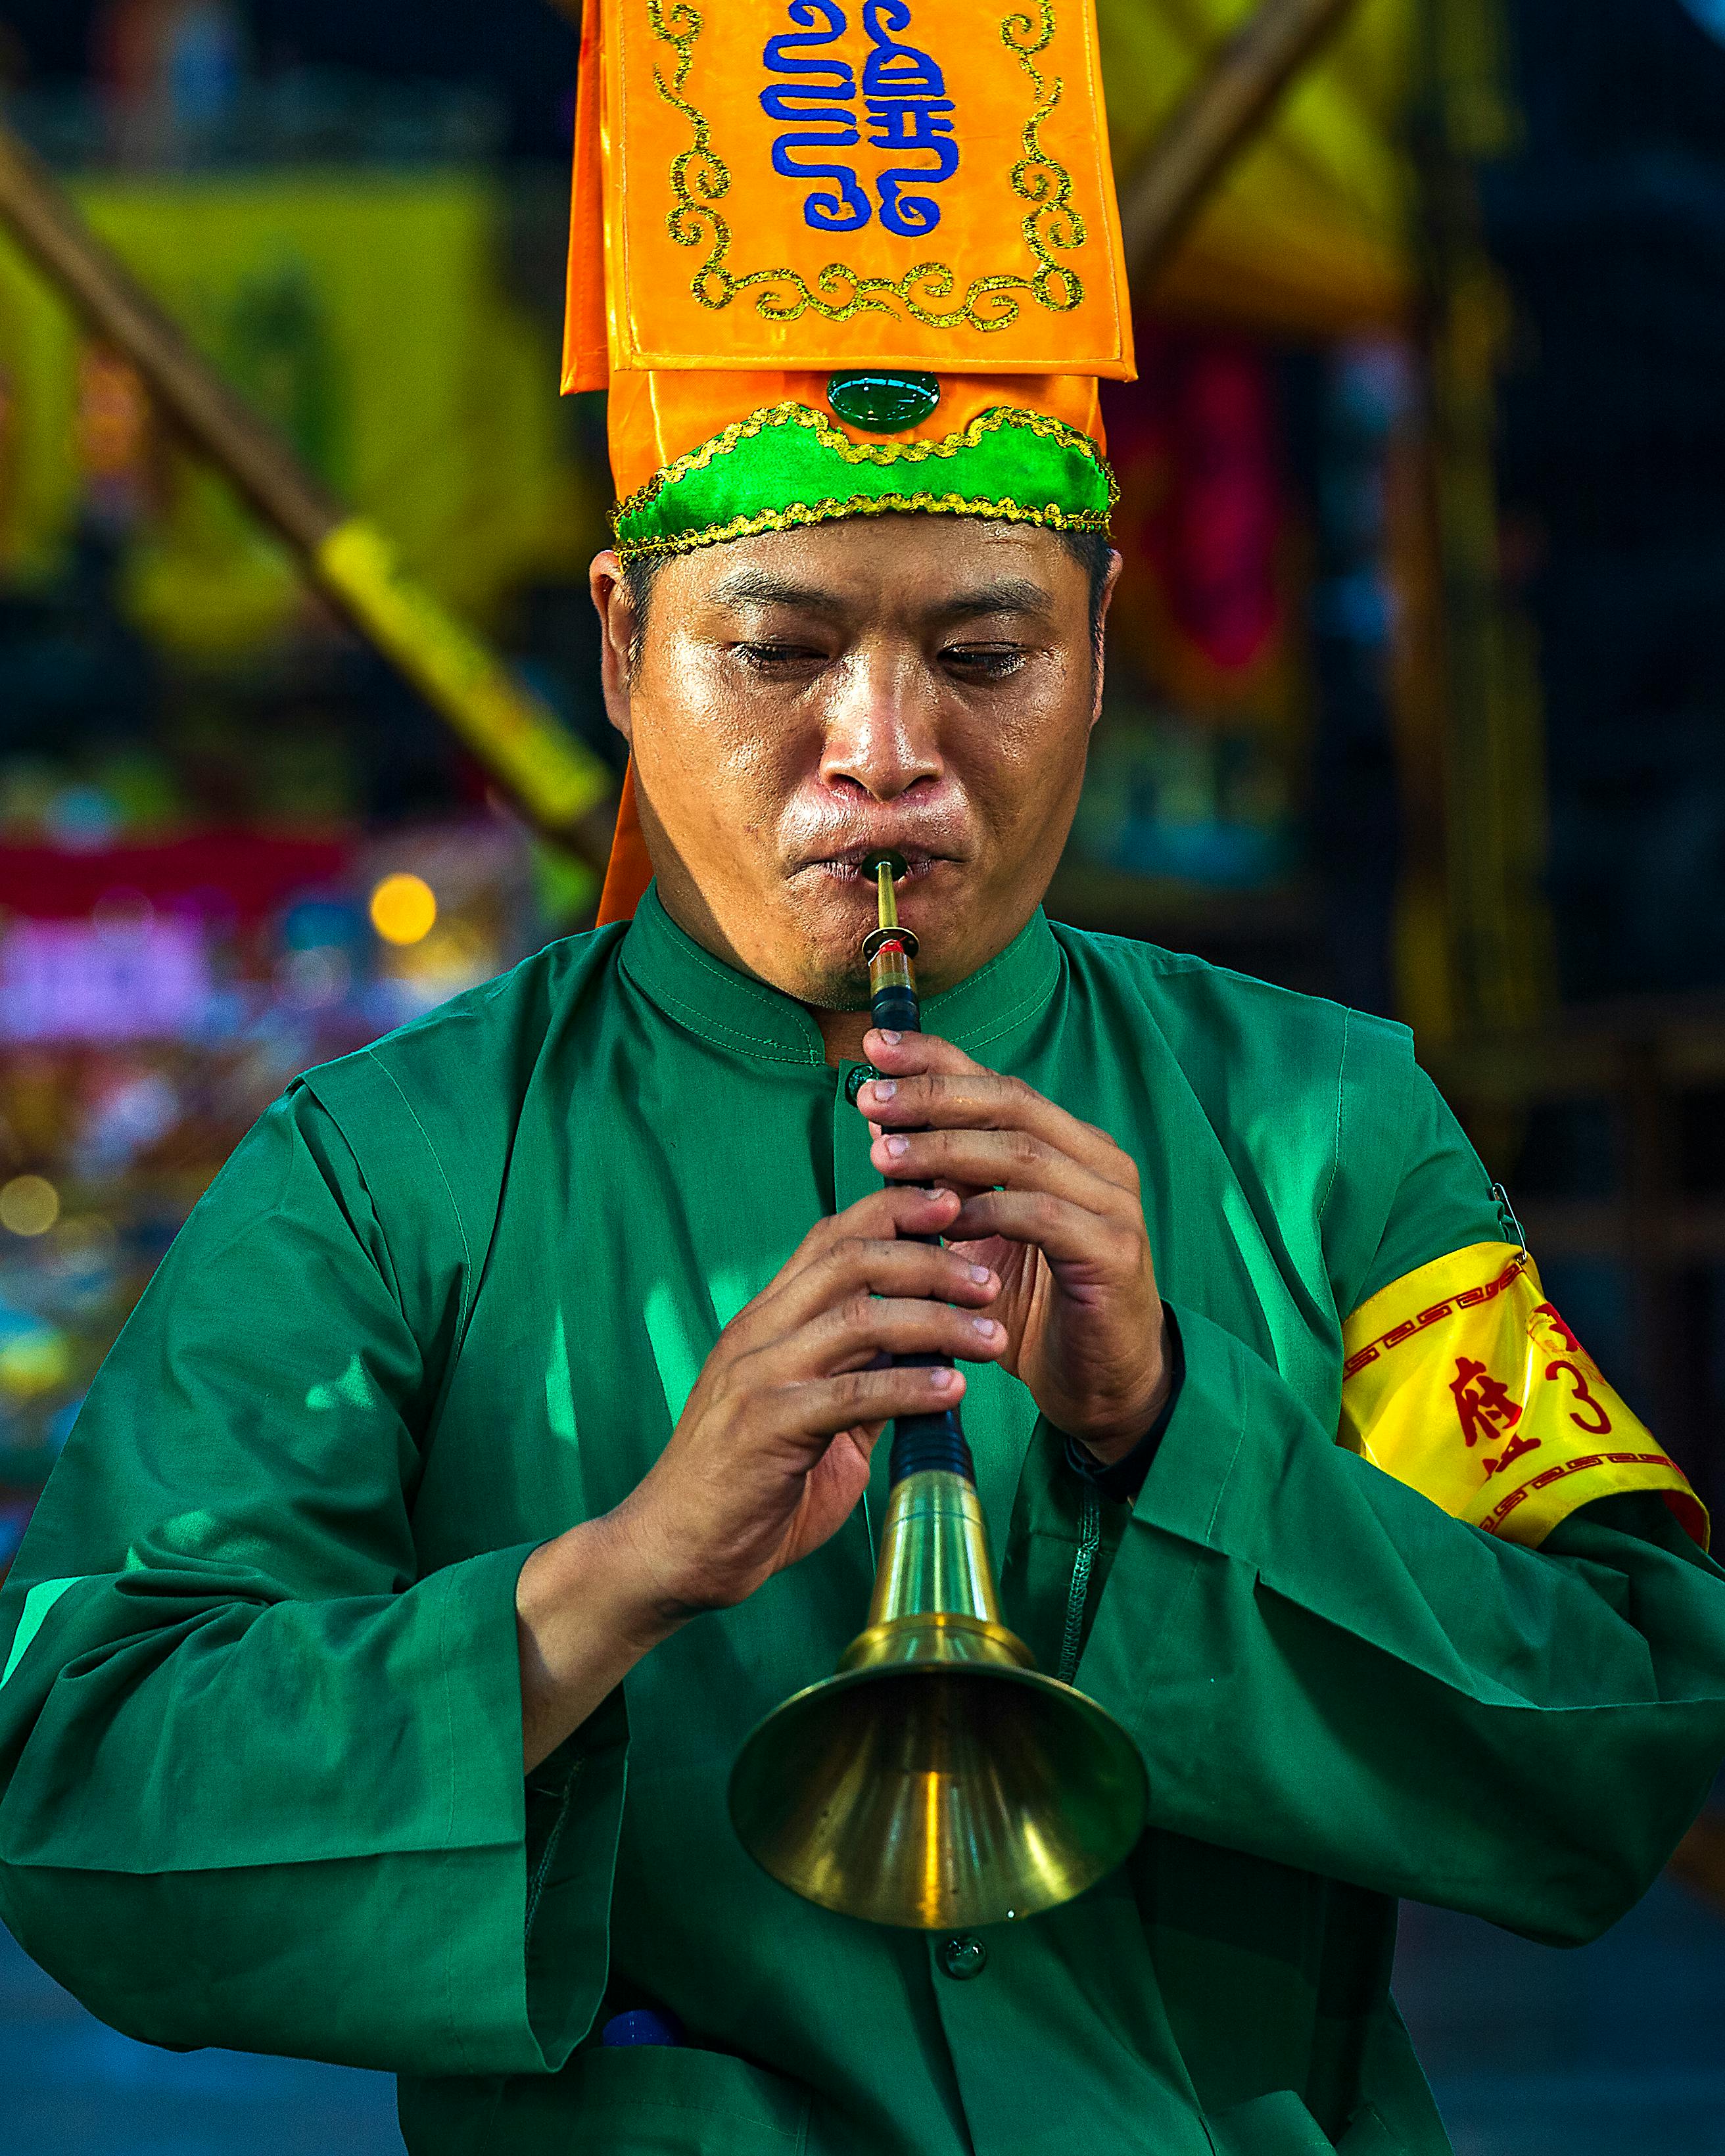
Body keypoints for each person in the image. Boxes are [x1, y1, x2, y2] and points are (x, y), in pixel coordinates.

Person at [5, 5, 1725, 2153]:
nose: (887, 758)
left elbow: (1633, 1728)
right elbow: (77, 1782)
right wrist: (609, 1580)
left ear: (1100, 651)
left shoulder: (1324, 1125)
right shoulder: (389, 1176)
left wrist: (1174, 1427)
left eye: (987, 657)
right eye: (781, 653)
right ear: (627, 648)